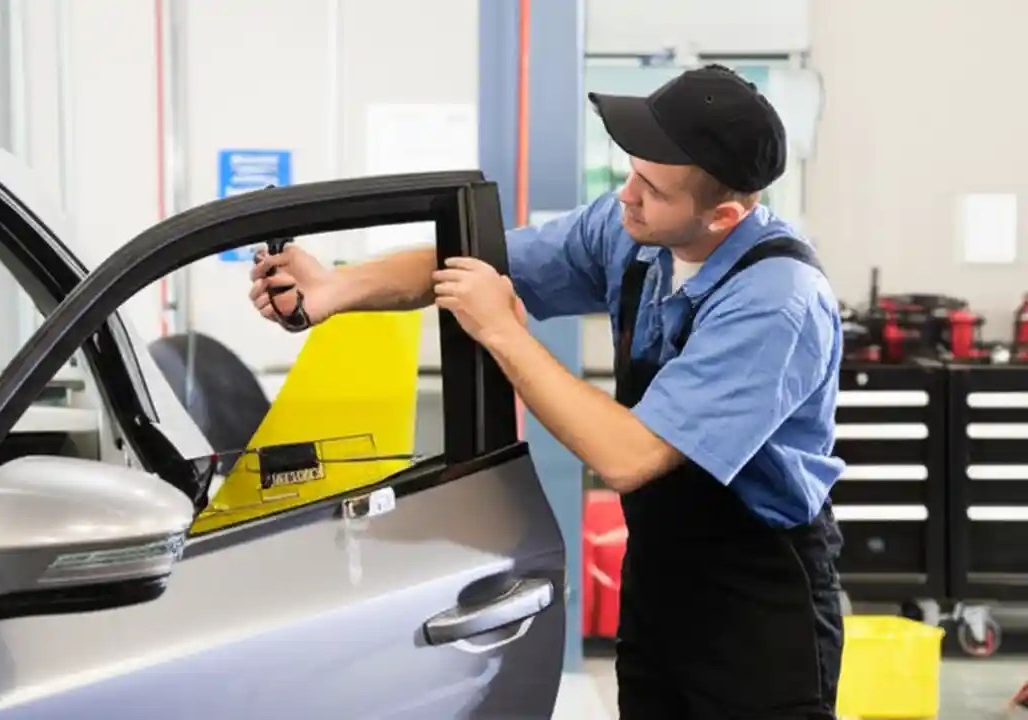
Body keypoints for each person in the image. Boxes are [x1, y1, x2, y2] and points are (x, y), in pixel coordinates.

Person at [249, 64, 845, 719]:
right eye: (630, 171)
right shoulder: (632, 234)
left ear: (724, 214)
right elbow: (472, 263)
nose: (627, 196)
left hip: (759, 599)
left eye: (652, 188)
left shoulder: (776, 302)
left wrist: (503, 330)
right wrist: (338, 288)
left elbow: (628, 455)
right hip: (661, 579)